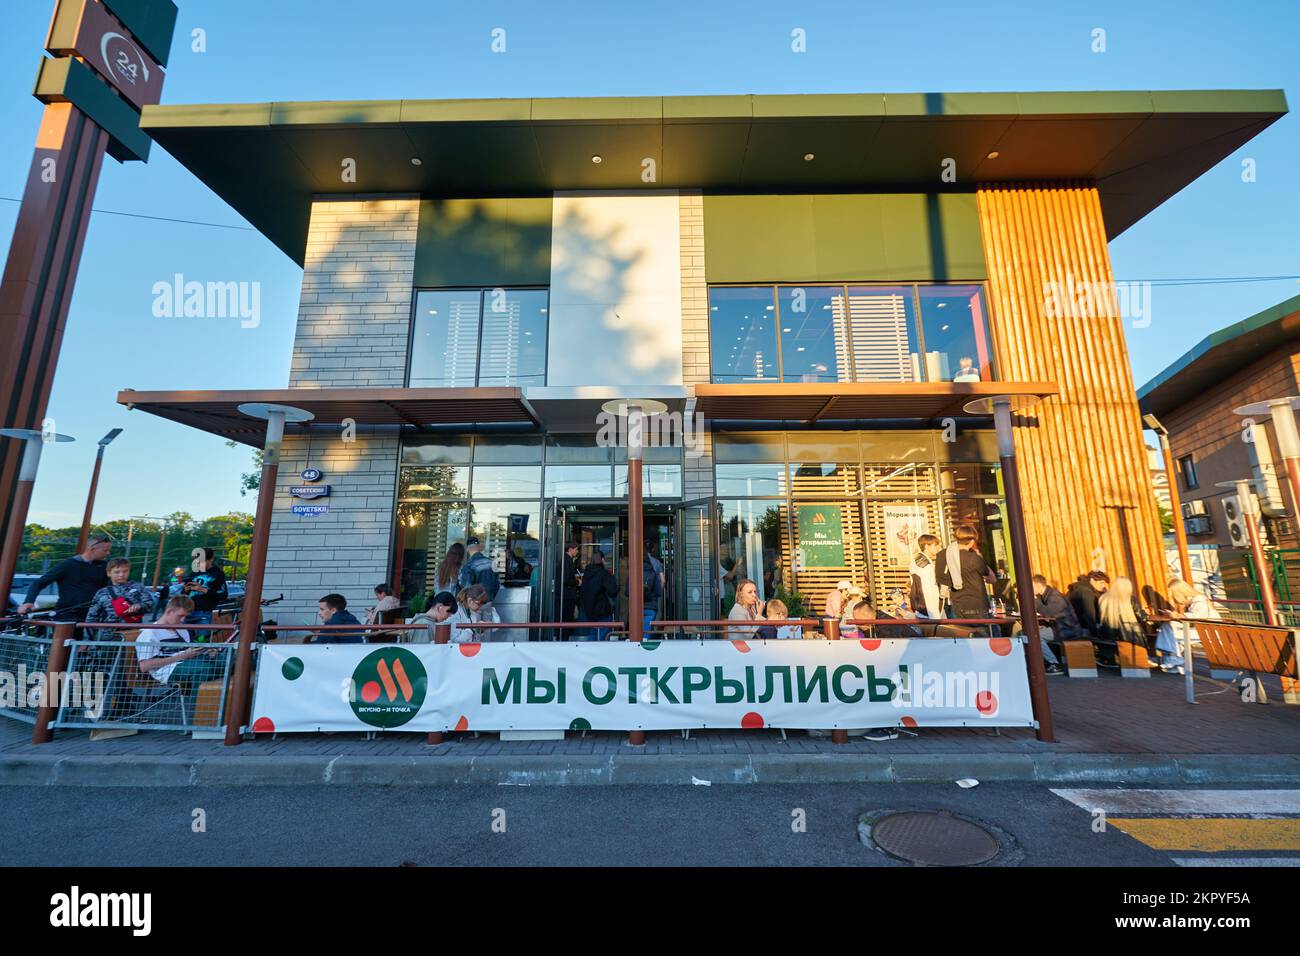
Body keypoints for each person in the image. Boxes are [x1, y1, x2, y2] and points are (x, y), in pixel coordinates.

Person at [135, 596, 227, 715]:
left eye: (185, 616)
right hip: (167, 670)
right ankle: (198, 715)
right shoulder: (149, 633)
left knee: (228, 660)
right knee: (203, 669)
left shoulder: (182, 629)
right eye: (180, 616)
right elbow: (144, 666)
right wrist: (182, 656)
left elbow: (188, 651)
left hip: (188, 663)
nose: (183, 620)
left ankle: (220, 709)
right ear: (168, 612)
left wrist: (205, 651)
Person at [17, 533, 111, 620]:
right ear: (92, 548)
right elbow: (39, 583)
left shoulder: (104, 566)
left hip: (93, 615)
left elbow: (111, 587)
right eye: (105, 550)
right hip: (67, 614)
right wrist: (28, 601)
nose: (108, 553)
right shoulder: (67, 565)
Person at [1155, 578, 1218, 675]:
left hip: (1207, 632)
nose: (1173, 597)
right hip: (1206, 630)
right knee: (1168, 628)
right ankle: (1175, 661)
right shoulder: (1197, 600)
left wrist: (1178, 616)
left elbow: (1197, 617)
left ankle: (1174, 659)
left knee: (1169, 630)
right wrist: (1177, 616)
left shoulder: (1199, 601)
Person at [934, 524, 996, 621]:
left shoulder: (946, 556)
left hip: (957, 606)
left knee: (962, 634)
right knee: (985, 634)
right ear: (971, 542)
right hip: (977, 606)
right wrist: (980, 558)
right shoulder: (974, 558)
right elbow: (992, 579)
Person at [86, 558, 157, 638]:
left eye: (125, 571)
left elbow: (150, 604)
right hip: (108, 636)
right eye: (117, 572)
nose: (121, 574)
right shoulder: (102, 592)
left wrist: (139, 606)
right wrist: (86, 641)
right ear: (109, 573)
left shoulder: (138, 587)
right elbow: (91, 617)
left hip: (133, 634)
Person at [1096, 576, 1147, 668]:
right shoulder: (1130, 599)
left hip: (1108, 636)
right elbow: (1141, 617)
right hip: (1129, 636)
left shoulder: (1103, 599)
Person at [1029, 575, 1075, 675]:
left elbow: (1048, 613)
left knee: (1036, 636)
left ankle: (1054, 664)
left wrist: (1034, 599)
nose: (1029, 588)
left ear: (1038, 585)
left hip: (1066, 628)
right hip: (1060, 626)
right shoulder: (1047, 595)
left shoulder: (1055, 596)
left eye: (1031, 586)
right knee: (1031, 633)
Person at [181, 548, 228, 627]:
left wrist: (202, 589)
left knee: (201, 639)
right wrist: (185, 590)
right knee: (184, 638)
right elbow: (184, 594)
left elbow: (223, 595)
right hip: (187, 612)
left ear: (211, 559)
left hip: (204, 613)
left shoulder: (218, 573)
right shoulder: (194, 573)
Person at [579, 550, 617, 641]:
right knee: (603, 635)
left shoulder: (586, 573)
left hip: (589, 610)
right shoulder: (603, 573)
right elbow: (612, 591)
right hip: (602, 610)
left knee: (593, 634)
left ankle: (590, 653)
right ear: (602, 559)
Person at [458, 536, 501, 605]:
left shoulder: (469, 565)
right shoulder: (492, 563)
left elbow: (466, 586)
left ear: (467, 549)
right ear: (478, 547)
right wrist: (490, 598)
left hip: (475, 604)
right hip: (489, 603)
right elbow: (497, 584)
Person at [909, 534, 943, 619]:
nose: (938, 547)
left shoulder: (916, 560)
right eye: (935, 545)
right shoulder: (926, 566)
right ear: (927, 546)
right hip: (928, 612)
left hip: (920, 609)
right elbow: (929, 592)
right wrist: (935, 617)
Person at [1067, 570, 1110, 639]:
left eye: (1105, 583)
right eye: (1102, 583)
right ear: (1092, 580)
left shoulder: (1083, 588)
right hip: (1082, 630)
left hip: (1076, 628)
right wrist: (1097, 635)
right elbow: (1090, 616)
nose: (1104, 585)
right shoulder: (1086, 592)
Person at [637, 540, 665, 636]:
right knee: (652, 621)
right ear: (652, 549)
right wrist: (657, 592)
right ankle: (654, 634)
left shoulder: (637, 562)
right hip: (652, 600)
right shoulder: (657, 563)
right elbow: (663, 580)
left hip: (638, 600)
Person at [560, 541, 580, 625]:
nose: (577, 551)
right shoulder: (567, 560)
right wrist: (577, 582)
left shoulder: (566, 559)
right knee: (567, 620)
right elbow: (566, 579)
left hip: (566, 595)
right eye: (576, 549)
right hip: (567, 596)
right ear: (571, 549)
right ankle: (564, 637)